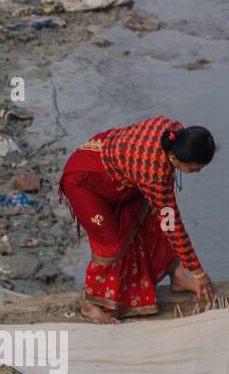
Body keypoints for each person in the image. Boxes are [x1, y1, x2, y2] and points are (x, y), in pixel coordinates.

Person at [59, 115, 215, 323]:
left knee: (152, 220)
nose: (197, 171)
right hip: (85, 180)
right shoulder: (154, 174)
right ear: (175, 159)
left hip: (121, 172)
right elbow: (173, 226)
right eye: (194, 168)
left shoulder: (174, 131)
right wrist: (198, 272)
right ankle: (92, 304)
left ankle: (177, 278)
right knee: (111, 243)